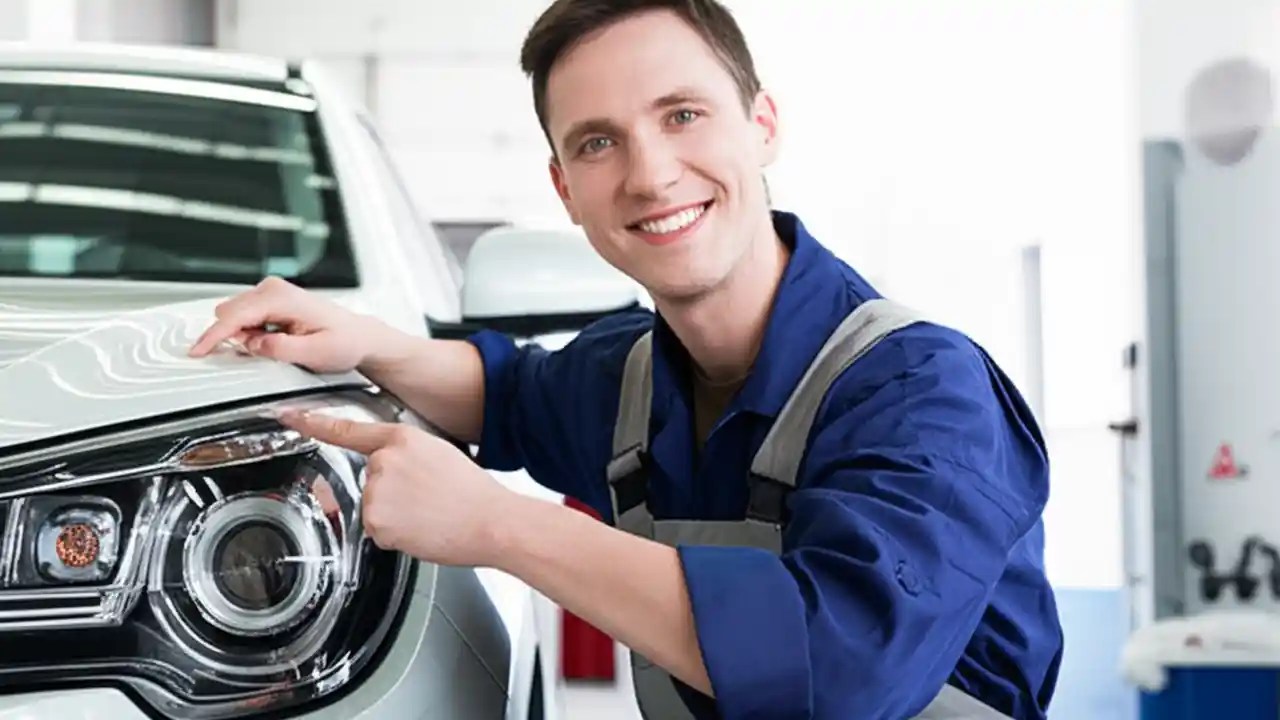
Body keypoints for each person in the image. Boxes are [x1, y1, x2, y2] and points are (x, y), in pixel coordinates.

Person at [189, 1, 1064, 717]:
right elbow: (512, 395)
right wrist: (369, 343)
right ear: (564, 188)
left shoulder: (924, 395)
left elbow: (837, 669)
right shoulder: (635, 377)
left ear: (762, 125)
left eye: (682, 115)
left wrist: (497, 526)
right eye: (598, 142)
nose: (649, 175)